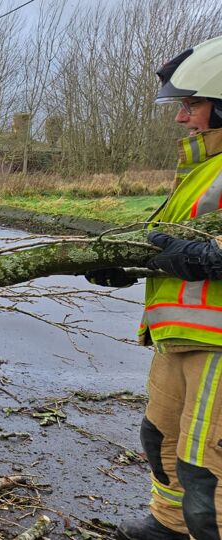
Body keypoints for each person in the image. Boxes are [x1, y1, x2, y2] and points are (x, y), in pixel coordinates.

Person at [87, 36, 222, 539]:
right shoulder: (202, 168)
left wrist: (203, 257)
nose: (181, 117)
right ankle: (168, 525)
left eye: (192, 105)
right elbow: (171, 245)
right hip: (180, 337)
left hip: (219, 347)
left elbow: (202, 252)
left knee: (206, 462)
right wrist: (130, 264)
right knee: (159, 437)